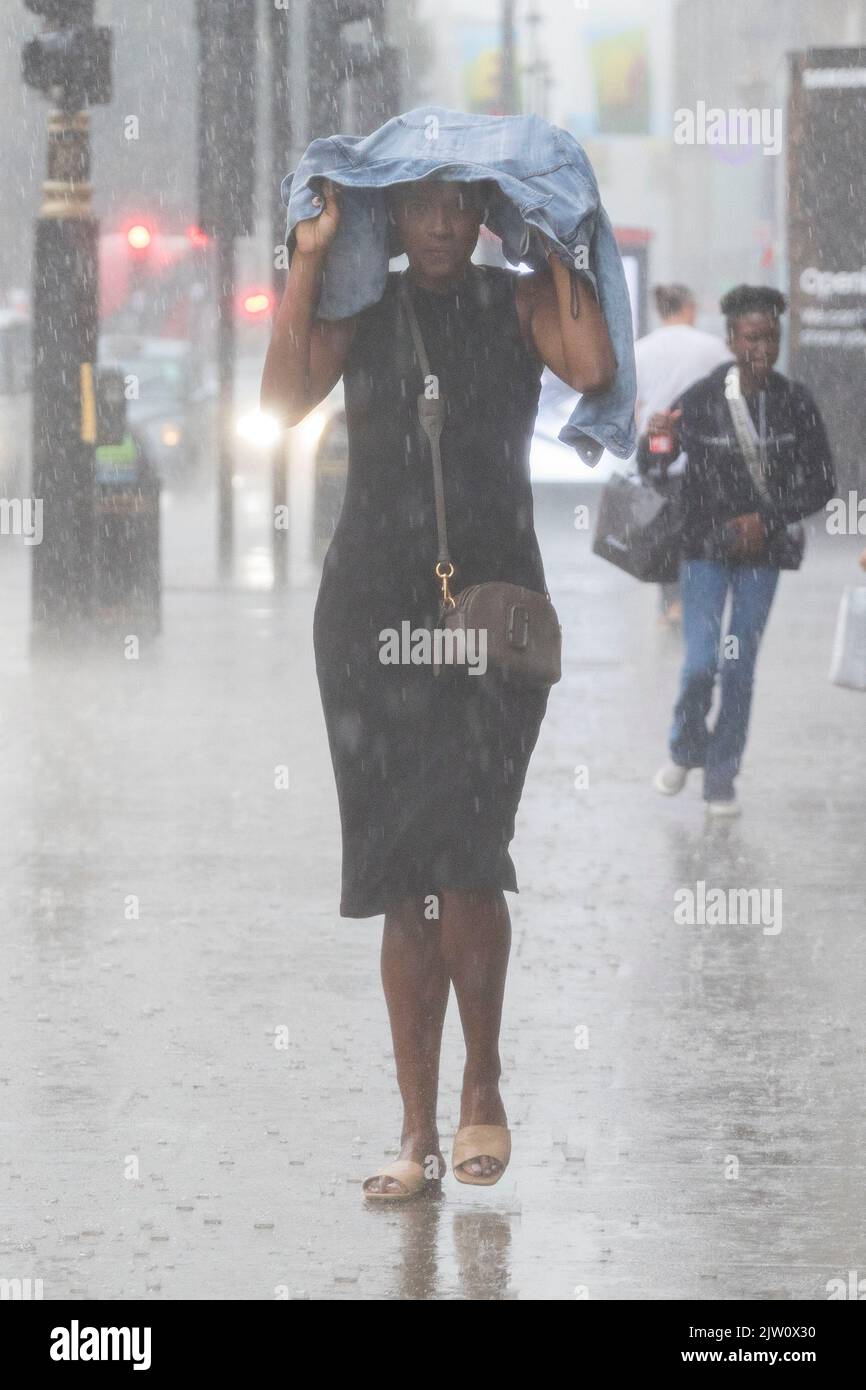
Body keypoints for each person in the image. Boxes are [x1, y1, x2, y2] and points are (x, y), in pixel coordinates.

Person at [261, 177, 616, 1200]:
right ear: (393, 218)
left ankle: (483, 1085)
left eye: (463, 205)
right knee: (399, 874)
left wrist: (556, 244)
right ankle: (414, 1128)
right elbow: (280, 400)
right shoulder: (361, 306)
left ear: (486, 214)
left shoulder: (513, 303)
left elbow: (588, 363)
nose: (444, 225)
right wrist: (311, 259)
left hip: (491, 619)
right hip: (371, 619)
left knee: (468, 852)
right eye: (423, 207)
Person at [641, 285, 835, 815]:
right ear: (731, 339)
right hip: (703, 549)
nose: (761, 348)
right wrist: (654, 438)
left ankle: (721, 778)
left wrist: (767, 520)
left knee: (739, 667)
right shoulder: (702, 399)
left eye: (770, 337)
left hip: (763, 557)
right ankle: (685, 749)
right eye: (751, 337)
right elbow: (656, 470)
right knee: (701, 664)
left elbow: (823, 484)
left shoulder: (795, 401)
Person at [634, 284, 732, 624]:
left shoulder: (641, 350)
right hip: (703, 453)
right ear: (689, 308)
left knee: (664, 529)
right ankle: (698, 598)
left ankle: (671, 603)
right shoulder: (714, 349)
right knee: (701, 527)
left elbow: (634, 405)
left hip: (656, 453)